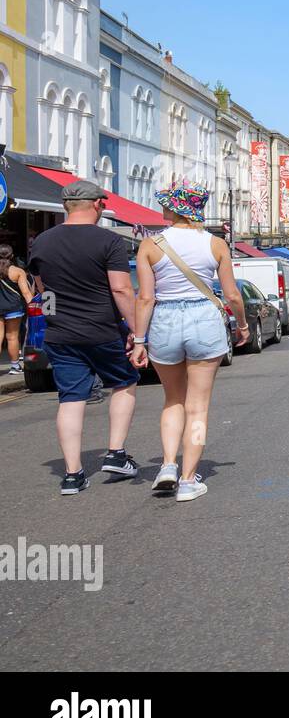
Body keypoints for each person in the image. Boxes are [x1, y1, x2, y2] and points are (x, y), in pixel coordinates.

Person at [131, 180, 250, 501]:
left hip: (164, 322)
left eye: (166, 203)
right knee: (197, 408)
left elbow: (144, 298)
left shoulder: (150, 244)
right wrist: (242, 325)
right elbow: (232, 294)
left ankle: (168, 465)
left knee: (172, 401)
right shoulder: (216, 244)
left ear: (175, 208)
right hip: (204, 321)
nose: (162, 207)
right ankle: (187, 480)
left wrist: (139, 341)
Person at [28, 181, 141, 495]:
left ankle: (72, 475)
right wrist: (136, 330)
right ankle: (116, 454)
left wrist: (52, 318)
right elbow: (120, 289)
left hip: (60, 333)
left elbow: (42, 289)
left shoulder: (42, 242)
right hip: (102, 330)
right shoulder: (109, 241)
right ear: (97, 205)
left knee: (70, 399)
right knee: (124, 382)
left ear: (66, 206)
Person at [0, 244, 36, 375]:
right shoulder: (17, 271)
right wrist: (33, 307)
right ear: (12, 256)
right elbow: (26, 293)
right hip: (13, 308)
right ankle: (15, 366)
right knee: (12, 337)